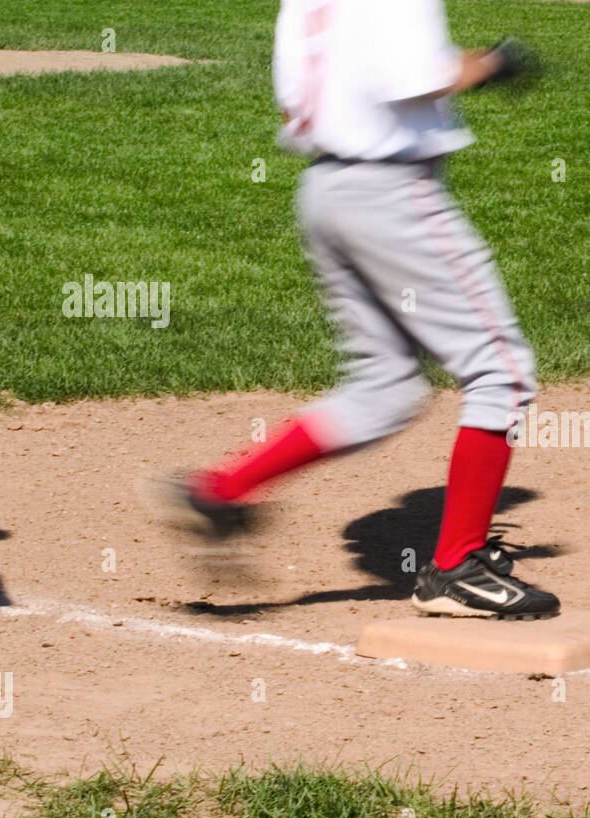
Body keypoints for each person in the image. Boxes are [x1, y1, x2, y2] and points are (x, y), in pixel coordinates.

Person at [163, 0, 558, 620]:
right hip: (391, 192)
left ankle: (220, 491)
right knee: (501, 371)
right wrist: (493, 62)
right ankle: (457, 567)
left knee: (385, 389)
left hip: (326, 191)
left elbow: (300, 95)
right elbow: (414, 77)